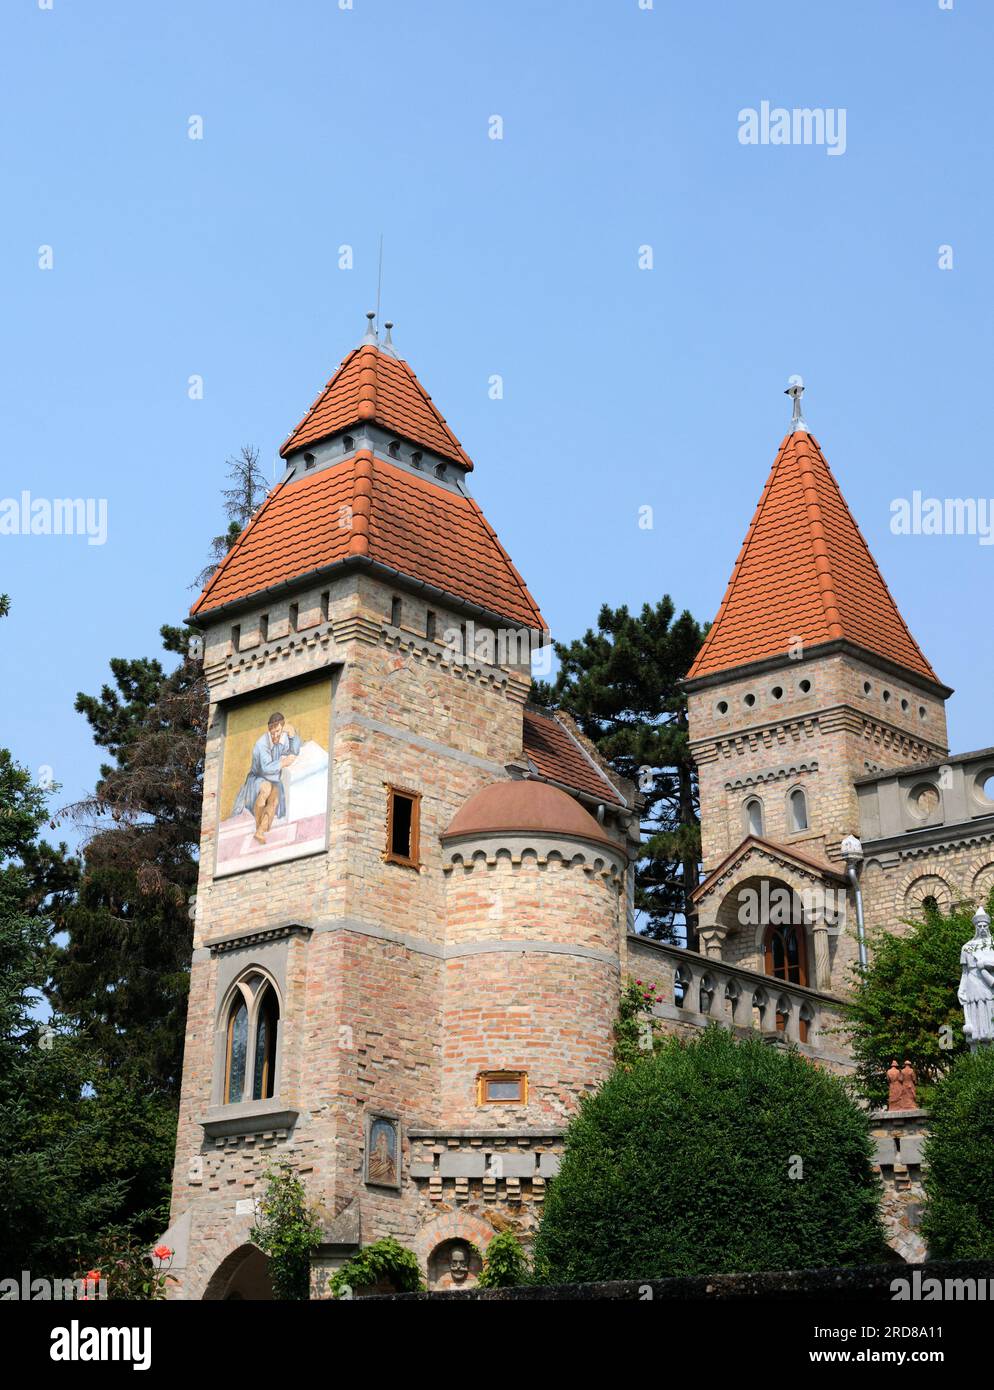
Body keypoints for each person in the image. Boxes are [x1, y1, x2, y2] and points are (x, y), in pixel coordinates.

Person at [231, 713, 300, 844]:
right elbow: (266, 768)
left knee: (275, 799)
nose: (275, 735)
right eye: (272, 732)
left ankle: (260, 831)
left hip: (274, 780)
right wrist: (283, 763)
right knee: (266, 789)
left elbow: (294, 751)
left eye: (278, 731)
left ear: (282, 728)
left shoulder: (280, 740)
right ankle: (258, 824)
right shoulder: (261, 744)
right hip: (257, 779)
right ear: (269, 729)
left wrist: (292, 735)